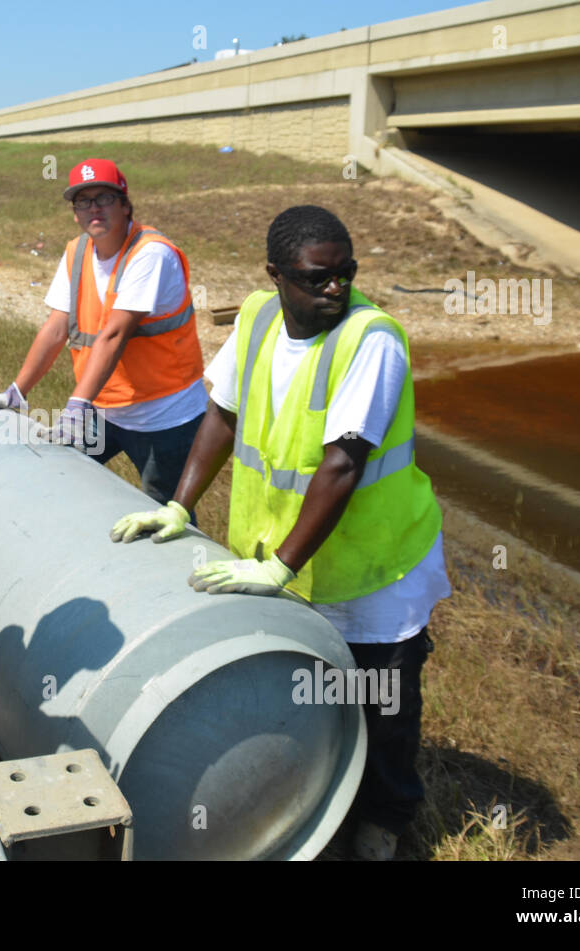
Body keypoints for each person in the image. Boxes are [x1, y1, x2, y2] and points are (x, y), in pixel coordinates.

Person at [109, 205, 451, 860]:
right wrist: (179, 506)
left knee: (380, 695)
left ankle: (385, 817)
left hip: (375, 564)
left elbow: (343, 463)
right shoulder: (260, 318)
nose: (336, 288)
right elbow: (221, 414)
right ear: (275, 276)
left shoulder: (369, 339)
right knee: (308, 684)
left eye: (346, 273)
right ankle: (314, 794)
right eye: (318, 276)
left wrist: (279, 567)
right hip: (295, 557)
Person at [0, 158, 206, 506]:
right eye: (83, 201)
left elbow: (114, 334)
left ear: (125, 205)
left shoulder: (151, 254)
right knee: (57, 479)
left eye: (104, 198)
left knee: (163, 512)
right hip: (104, 408)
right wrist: (17, 392)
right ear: (75, 213)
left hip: (164, 416)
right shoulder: (77, 252)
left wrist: (74, 408)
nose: (93, 208)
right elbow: (55, 328)